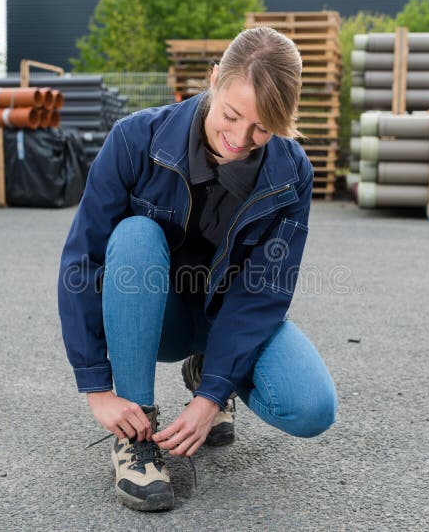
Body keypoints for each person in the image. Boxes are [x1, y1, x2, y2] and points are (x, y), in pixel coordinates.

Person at [58, 26, 338, 512]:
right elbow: (82, 263)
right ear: (213, 80)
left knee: (311, 406)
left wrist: (211, 395)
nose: (241, 140)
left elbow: (264, 288)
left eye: (263, 128)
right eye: (232, 115)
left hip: (224, 317)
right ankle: (135, 430)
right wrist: (97, 388)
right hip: (151, 316)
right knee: (135, 236)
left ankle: (207, 369)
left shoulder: (292, 170)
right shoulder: (133, 140)